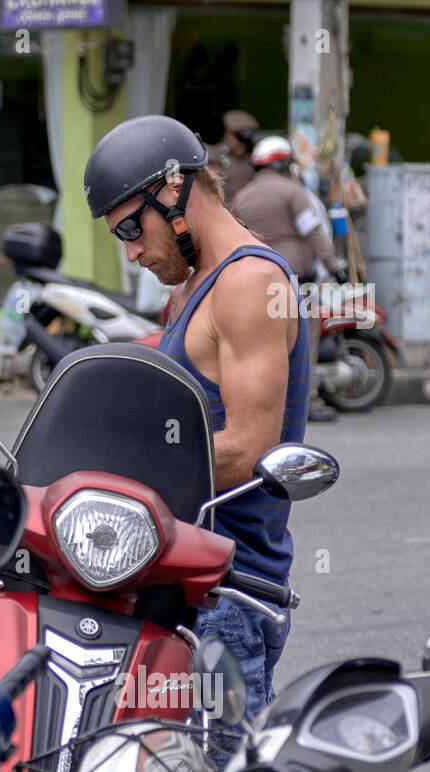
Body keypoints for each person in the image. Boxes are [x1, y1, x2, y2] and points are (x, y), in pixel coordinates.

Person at [83, 114, 310, 723]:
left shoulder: (250, 283)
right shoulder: (193, 285)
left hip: (226, 589)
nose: (130, 250)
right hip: (176, 571)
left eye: (132, 226)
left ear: (176, 189)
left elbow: (247, 449)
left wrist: (117, 474)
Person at [231, 135, 343, 423]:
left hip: (257, 282)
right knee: (306, 342)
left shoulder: (243, 196)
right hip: (297, 280)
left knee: (266, 346)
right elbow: (313, 231)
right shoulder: (292, 191)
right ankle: (309, 403)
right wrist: (334, 266)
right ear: (283, 163)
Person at [209, 110, 258, 204]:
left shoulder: (252, 160)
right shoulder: (213, 156)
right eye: (239, 140)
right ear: (228, 134)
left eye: (246, 142)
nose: (243, 145)